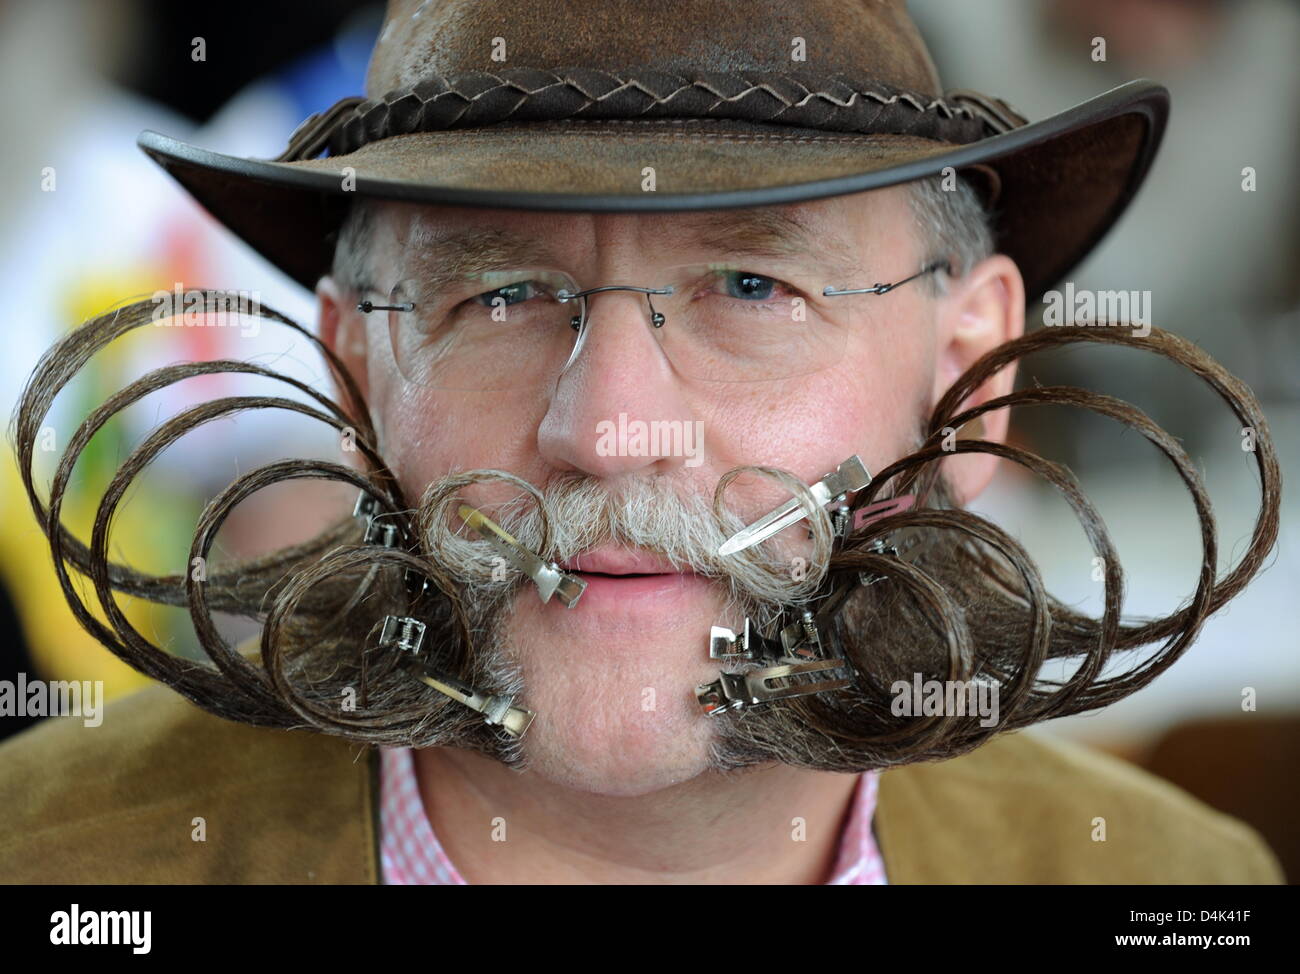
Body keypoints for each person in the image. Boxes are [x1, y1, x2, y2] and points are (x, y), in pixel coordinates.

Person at [0, 0, 1283, 884]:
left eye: (749, 288)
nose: (610, 431)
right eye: (498, 295)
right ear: (354, 375)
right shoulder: (49, 859)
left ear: (963, 382)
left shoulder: (1172, 885)